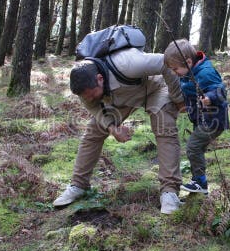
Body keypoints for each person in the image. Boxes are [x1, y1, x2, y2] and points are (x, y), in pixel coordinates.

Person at [53, 47, 185, 214]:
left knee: (164, 127)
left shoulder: (129, 64)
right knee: (93, 132)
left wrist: (178, 99)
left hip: (155, 88)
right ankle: (78, 185)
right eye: (86, 97)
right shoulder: (84, 88)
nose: (89, 99)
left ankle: (169, 192)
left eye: (92, 94)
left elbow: (166, 62)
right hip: (119, 99)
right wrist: (112, 128)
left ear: (100, 79)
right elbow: (95, 108)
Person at [163, 39, 229, 194]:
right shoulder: (189, 71)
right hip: (200, 117)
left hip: (213, 119)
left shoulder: (206, 73)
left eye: (175, 69)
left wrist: (210, 98)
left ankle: (200, 182)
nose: (174, 72)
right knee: (196, 147)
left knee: (193, 146)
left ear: (188, 62)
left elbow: (221, 91)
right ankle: (198, 182)